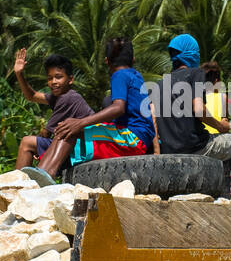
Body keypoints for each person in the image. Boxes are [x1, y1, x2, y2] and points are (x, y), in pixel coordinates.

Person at [151, 33, 231, 204]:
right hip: (199, 146)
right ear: (192, 54)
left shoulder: (160, 84)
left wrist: (158, 155)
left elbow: (153, 119)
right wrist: (220, 126)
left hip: (170, 151)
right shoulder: (195, 73)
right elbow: (198, 108)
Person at [40, 38, 153, 175]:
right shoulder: (135, 75)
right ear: (133, 60)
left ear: (107, 61)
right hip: (138, 138)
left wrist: (81, 122)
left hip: (133, 138)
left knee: (71, 129)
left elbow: (118, 108)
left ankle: (47, 172)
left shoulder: (119, 75)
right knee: (69, 128)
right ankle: (42, 171)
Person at [12, 49, 94, 178]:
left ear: (70, 79)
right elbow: (32, 96)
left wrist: (38, 148)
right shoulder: (59, 96)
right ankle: (21, 183)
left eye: (58, 77)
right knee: (31, 143)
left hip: (84, 148)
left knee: (27, 142)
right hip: (73, 146)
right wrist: (19, 73)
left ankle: (18, 183)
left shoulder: (69, 98)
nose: (54, 82)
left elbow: (46, 133)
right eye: (50, 78)